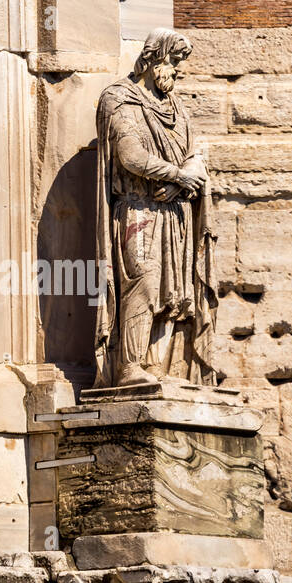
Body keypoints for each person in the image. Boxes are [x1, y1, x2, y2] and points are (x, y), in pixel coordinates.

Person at [93, 28, 217, 387]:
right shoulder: (119, 99)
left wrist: (186, 176)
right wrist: (178, 175)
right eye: (173, 61)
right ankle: (129, 367)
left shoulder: (177, 109)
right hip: (137, 211)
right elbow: (130, 156)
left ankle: (158, 369)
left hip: (175, 214)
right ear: (152, 59)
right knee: (144, 284)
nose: (178, 71)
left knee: (173, 294)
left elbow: (197, 156)